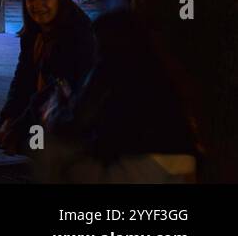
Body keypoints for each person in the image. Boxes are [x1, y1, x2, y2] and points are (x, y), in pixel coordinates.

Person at [37, 10, 197, 183]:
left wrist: (54, 111)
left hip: (142, 165)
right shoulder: (159, 68)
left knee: (50, 146)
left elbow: (77, 122)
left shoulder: (108, 68)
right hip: (184, 164)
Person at [0, 0, 96, 155]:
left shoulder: (76, 35)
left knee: (32, 145)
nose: (37, 4)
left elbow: (56, 90)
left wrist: (17, 127)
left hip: (70, 117)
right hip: (40, 112)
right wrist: (8, 118)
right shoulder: (34, 34)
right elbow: (22, 78)